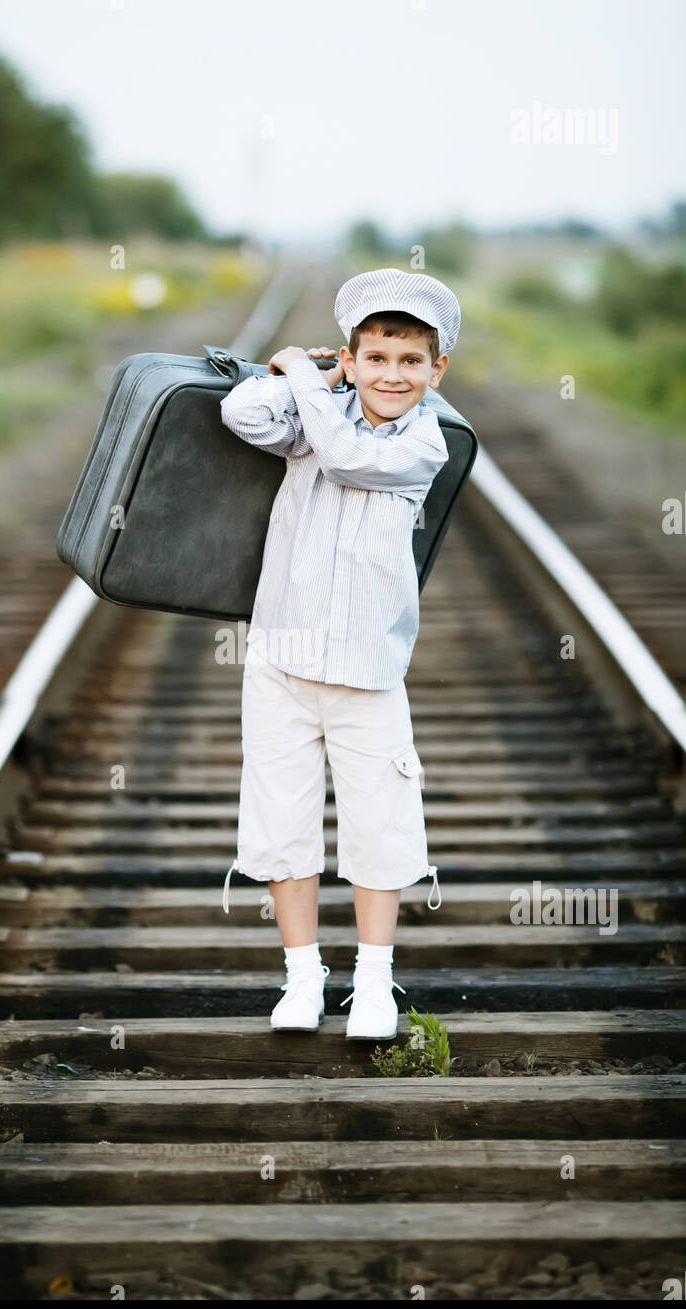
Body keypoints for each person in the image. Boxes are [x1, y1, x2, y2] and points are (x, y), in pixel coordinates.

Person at [218, 268, 460, 1040]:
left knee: (378, 825)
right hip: (282, 661)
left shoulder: (424, 441)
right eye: (376, 358)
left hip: (367, 673)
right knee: (281, 819)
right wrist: (307, 374)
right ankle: (300, 976)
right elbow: (240, 410)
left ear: (436, 370)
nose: (393, 375)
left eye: (410, 361)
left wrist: (312, 389)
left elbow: (350, 458)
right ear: (353, 360)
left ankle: (376, 983)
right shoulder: (321, 408)